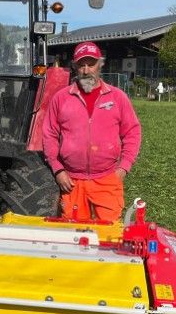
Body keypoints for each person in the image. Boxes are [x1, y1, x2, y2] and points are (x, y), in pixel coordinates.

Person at [41, 41, 142, 223]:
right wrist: (58, 170)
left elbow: (132, 132)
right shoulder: (61, 98)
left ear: (100, 64)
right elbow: (49, 135)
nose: (86, 70)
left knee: (110, 234)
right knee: (73, 236)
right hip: (72, 181)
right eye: (81, 64)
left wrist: (123, 167)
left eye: (91, 64)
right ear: (74, 66)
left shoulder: (117, 97)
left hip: (107, 178)